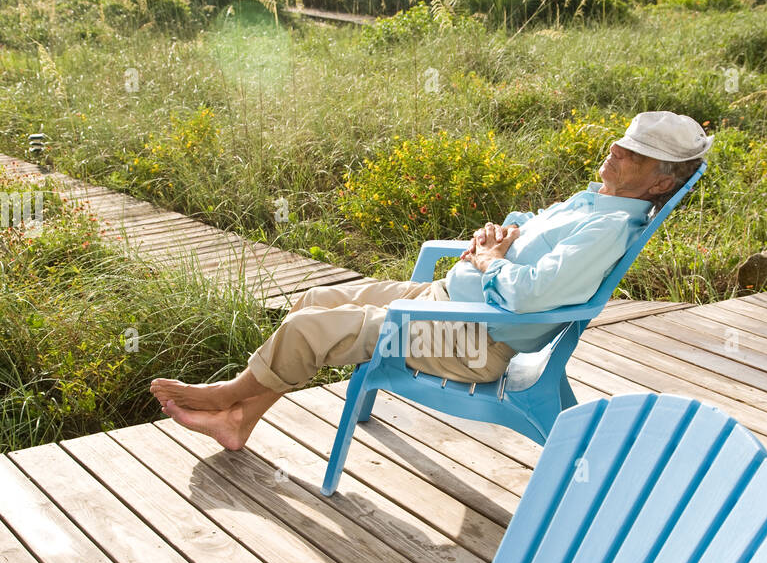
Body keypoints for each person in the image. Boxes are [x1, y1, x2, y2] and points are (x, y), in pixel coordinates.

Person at [150, 110, 711, 450]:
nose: (615, 152)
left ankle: (227, 397)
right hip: (450, 300)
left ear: (660, 184)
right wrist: (504, 233)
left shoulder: (608, 229)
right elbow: (532, 247)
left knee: (311, 330)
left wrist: (491, 262)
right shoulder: (597, 201)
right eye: (622, 142)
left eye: (635, 155)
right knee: (314, 299)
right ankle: (241, 419)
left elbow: (532, 293)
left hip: (471, 338)